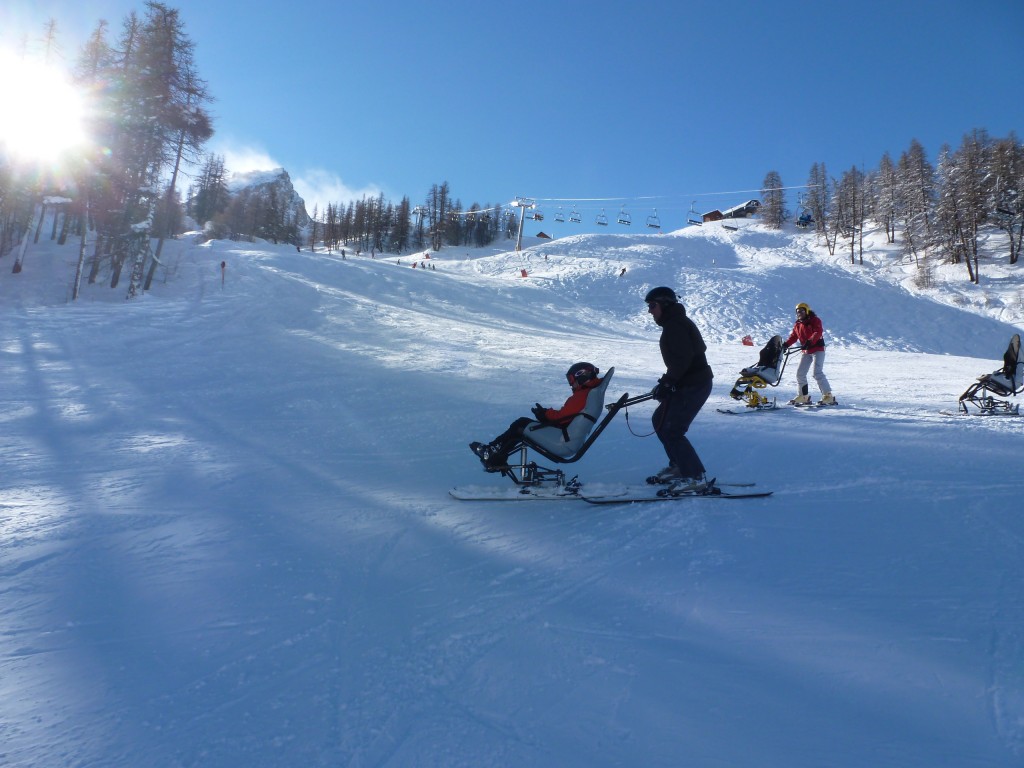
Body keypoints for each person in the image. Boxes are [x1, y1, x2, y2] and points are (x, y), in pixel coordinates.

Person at [470, 363, 604, 471]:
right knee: (522, 427)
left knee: (521, 425)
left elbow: (563, 416)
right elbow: (568, 417)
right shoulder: (590, 393)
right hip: (568, 437)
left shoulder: (583, 394)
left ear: (581, 376)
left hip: (563, 441)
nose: (571, 384)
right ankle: (495, 454)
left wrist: (544, 414)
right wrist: (545, 415)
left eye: (571, 380)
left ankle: (492, 452)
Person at [644, 286, 714, 492]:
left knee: (672, 429)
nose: (650, 311)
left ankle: (695, 476)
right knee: (660, 420)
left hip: (695, 384)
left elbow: (684, 359)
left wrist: (668, 382)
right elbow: (680, 361)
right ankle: (679, 466)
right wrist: (668, 382)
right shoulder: (673, 324)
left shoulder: (676, 325)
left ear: (665, 304)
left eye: (652, 305)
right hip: (687, 382)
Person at [782, 302, 836, 405]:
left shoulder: (815, 320)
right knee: (800, 374)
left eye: (802, 311)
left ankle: (828, 396)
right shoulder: (798, 324)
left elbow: (818, 332)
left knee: (817, 373)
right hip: (806, 351)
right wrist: (785, 345)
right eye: (798, 312)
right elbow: (794, 336)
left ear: (806, 311)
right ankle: (803, 396)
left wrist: (810, 341)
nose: (799, 313)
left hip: (818, 349)